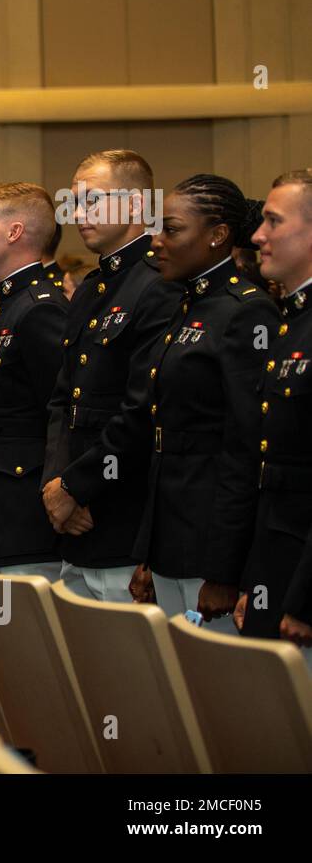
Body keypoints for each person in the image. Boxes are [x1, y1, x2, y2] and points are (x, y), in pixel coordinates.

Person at [125, 175, 277, 629]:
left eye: (172, 229)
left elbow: (245, 447)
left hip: (208, 546)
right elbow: (166, 438)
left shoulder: (245, 310)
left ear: (217, 236)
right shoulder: (187, 303)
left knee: (218, 689)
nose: (157, 240)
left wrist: (224, 569)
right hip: (172, 537)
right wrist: (149, 551)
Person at [41, 149, 180, 602]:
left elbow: (142, 410)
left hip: (123, 516)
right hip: (75, 518)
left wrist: (77, 487)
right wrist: (57, 483)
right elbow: (64, 401)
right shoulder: (91, 290)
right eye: (74, 202)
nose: (78, 214)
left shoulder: (159, 283)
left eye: (93, 200)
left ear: (139, 205)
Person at [0, 183, 69, 578]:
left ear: (14, 233)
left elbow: (59, 415)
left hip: (28, 516)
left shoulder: (40, 310)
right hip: (4, 508)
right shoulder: (11, 306)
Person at [238, 169, 312, 658]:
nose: (258, 236)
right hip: (275, 566)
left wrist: (305, 600)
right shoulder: (291, 320)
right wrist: (252, 580)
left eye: (272, 221)